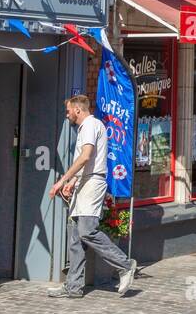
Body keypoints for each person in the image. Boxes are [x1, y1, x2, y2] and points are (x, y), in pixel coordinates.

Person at [47, 95, 135, 299]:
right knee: (75, 238)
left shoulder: (89, 125)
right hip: (84, 182)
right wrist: (72, 183)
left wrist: (62, 181)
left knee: (86, 231)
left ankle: (125, 264)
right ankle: (73, 286)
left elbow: (86, 156)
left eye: (69, 110)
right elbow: (88, 161)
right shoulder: (88, 127)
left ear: (78, 110)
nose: (67, 114)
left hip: (92, 183)